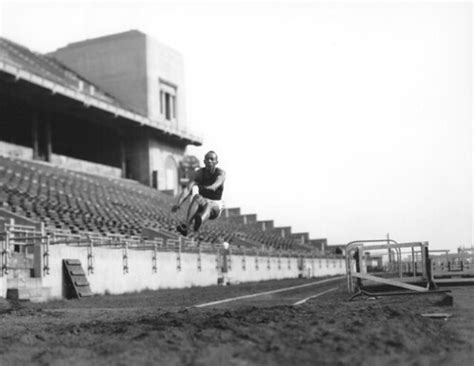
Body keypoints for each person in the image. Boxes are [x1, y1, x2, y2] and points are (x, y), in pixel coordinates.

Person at [171, 151, 225, 236]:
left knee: (209, 204)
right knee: (196, 197)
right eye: (207, 159)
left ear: (216, 162)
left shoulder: (220, 173)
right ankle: (186, 226)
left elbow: (216, 184)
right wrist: (179, 203)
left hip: (216, 205)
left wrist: (207, 187)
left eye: (212, 159)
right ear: (204, 161)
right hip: (203, 202)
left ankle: (199, 221)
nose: (209, 161)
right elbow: (188, 188)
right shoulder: (199, 173)